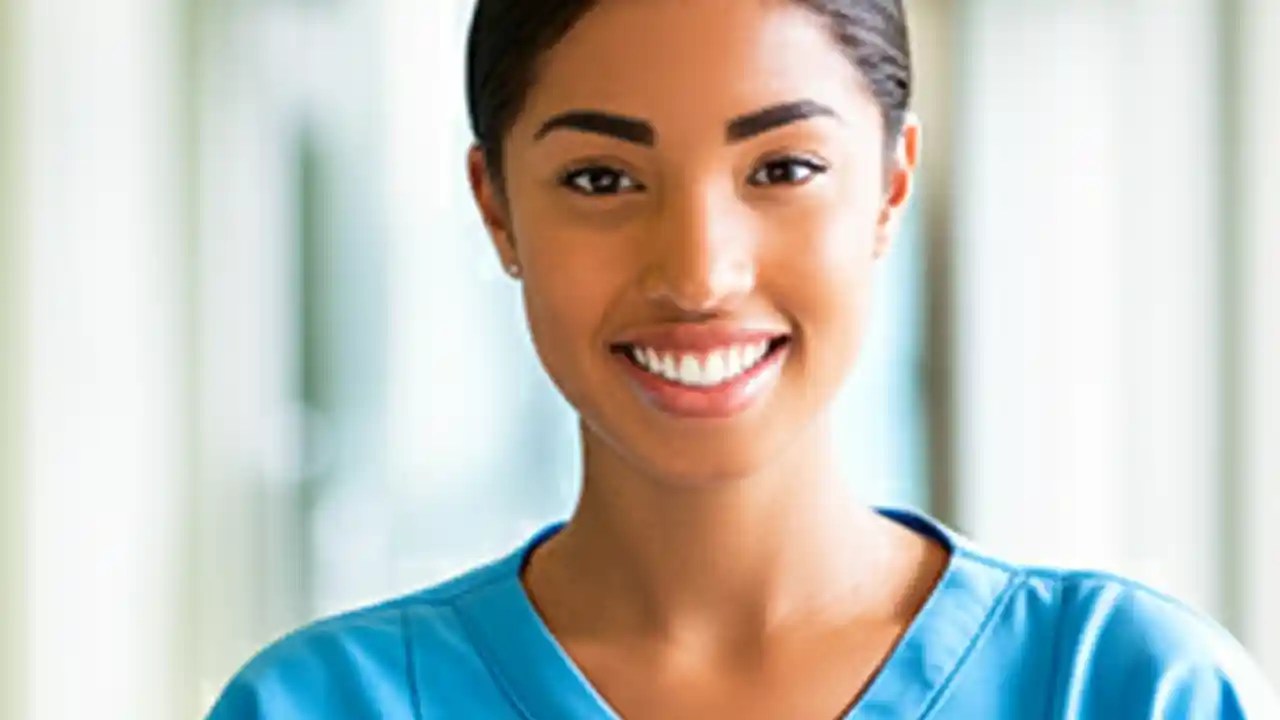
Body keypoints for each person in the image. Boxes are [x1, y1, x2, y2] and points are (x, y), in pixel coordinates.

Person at [207, 0, 1280, 717]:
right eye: (600, 180)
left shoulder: (1123, 689)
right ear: (495, 209)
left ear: (889, 186)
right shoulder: (324, 704)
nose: (700, 274)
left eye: (784, 167)